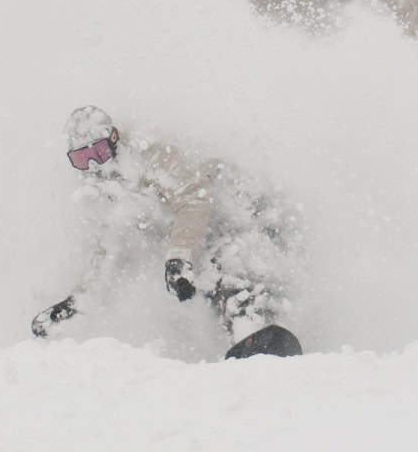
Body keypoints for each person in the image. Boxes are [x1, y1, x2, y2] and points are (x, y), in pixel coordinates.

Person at [32, 105, 302, 359]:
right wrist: (75, 304)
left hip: (237, 214)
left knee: (229, 268)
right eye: (81, 159)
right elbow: (108, 255)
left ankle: (261, 337)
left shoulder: (150, 157)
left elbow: (194, 199)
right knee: (195, 296)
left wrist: (179, 257)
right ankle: (243, 349)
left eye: (98, 152)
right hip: (202, 243)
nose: (93, 166)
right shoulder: (111, 196)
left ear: (114, 139)